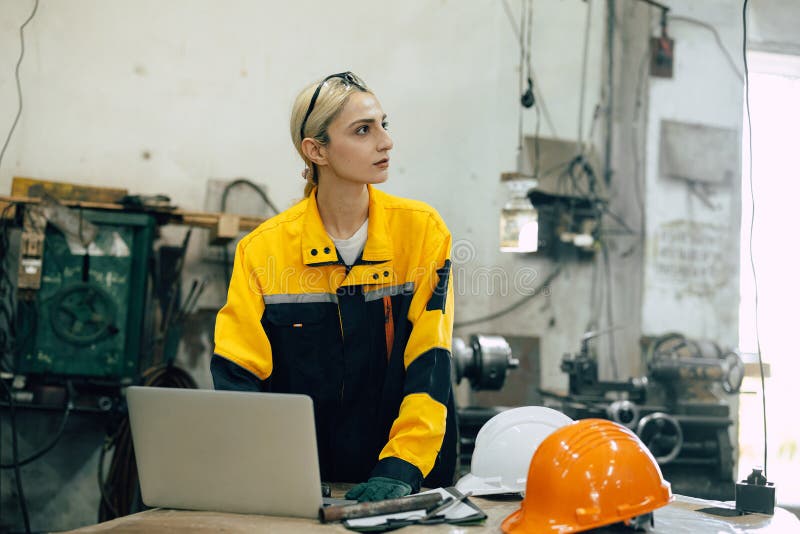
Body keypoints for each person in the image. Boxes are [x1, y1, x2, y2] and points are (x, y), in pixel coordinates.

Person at [210, 71, 457, 502]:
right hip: (301, 483)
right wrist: (271, 471)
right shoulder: (262, 251)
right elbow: (238, 378)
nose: (385, 141)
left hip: (406, 479)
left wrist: (402, 466)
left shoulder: (422, 233)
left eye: (384, 124)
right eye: (363, 130)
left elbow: (429, 364)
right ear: (316, 150)